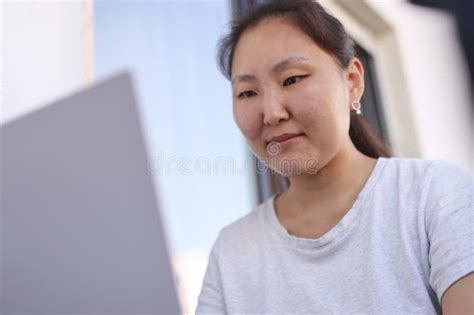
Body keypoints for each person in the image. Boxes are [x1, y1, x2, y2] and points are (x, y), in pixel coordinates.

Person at [196, 1, 474, 314]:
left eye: (292, 79)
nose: (272, 113)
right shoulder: (232, 252)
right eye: (247, 93)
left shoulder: (434, 195)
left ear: (352, 82)